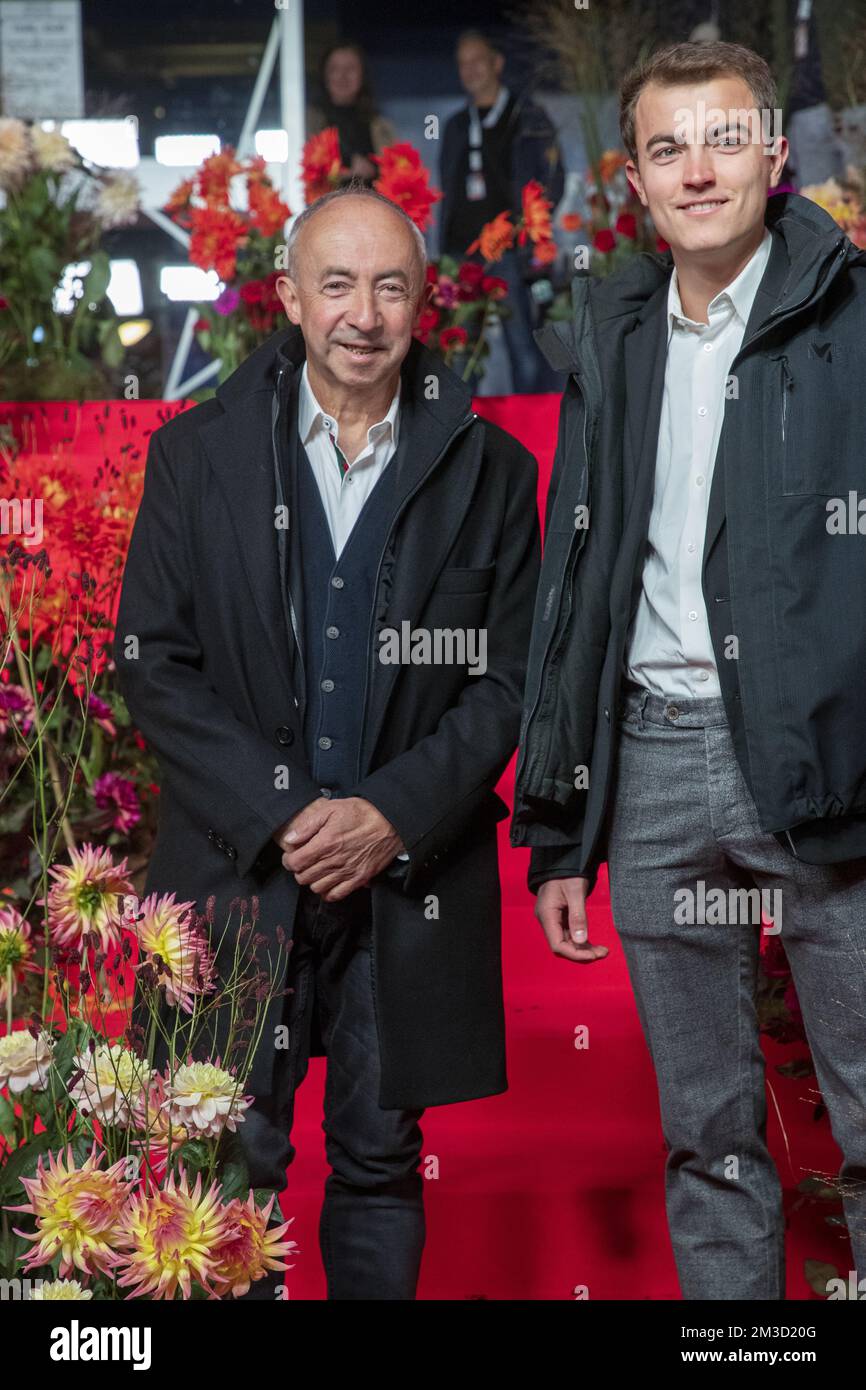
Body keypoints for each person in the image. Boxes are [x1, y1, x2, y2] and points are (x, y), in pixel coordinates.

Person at [114, 181, 540, 1300]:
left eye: (389, 285)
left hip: (408, 881)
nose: (363, 312)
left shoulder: (488, 470)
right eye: (337, 284)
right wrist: (287, 811)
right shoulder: (194, 457)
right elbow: (151, 661)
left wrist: (391, 811)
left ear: (421, 304)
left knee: (382, 1161)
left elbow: (507, 682)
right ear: (290, 299)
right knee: (219, 1160)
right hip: (231, 872)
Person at [511, 39, 866, 1299]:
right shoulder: (611, 334)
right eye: (667, 147)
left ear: (775, 156)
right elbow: (576, 579)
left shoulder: (850, 317)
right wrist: (560, 824)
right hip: (654, 756)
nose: (696, 168)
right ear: (636, 181)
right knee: (705, 1135)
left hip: (826, 760)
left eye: (723, 139)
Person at [439, 28, 565, 394]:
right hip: (462, 253)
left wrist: (528, 227)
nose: (470, 70)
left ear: (497, 63)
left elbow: (554, 178)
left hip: (512, 252)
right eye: (462, 64)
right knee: (462, 352)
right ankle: (462, 436)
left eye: (477, 60)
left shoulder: (528, 117)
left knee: (523, 348)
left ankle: (532, 438)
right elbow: (447, 194)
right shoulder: (455, 126)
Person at [306, 42, 396, 186]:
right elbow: (306, 173)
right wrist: (348, 172)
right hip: (327, 206)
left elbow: (397, 176)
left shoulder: (381, 126)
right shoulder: (308, 122)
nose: (343, 76)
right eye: (334, 69)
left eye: (350, 68)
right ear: (324, 75)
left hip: (373, 204)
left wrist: (374, 172)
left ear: (362, 75)